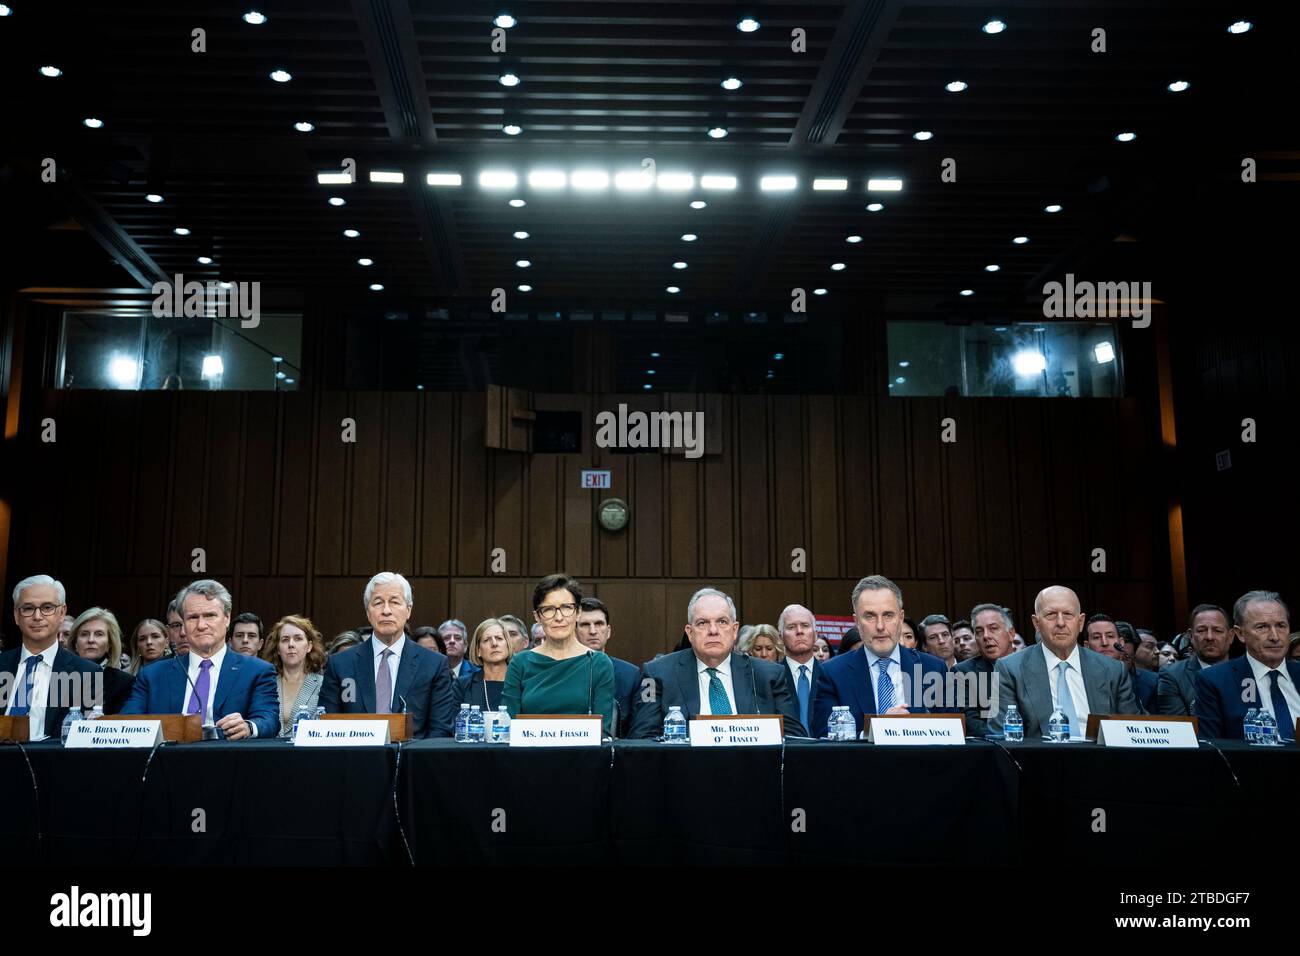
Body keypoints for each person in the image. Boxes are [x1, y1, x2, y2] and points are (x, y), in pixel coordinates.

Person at [628, 587, 805, 738]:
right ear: (690, 633)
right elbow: (642, 738)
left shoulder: (769, 675)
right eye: (703, 623)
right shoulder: (655, 674)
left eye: (722, 622)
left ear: (734, 630)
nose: (713, 631)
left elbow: (794, 738)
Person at [122, 579, 279, 738]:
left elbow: (269, 720)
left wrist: (248, 727)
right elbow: (126, 725)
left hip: (228, 758)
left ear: (227, 618)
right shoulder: (152, 675)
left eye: (210, 615)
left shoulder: (257, 671)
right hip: (167, 759)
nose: (201, 625)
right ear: (183, 625)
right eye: (193, 617)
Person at [318, 572, 456, 738]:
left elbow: (440, 731)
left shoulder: (434, 664)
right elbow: (327, 728)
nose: (386, 610)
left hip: (413, 759)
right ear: (368, 613)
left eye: (394, 602)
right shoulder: (340, 664)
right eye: (378, 603)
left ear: (408, 610)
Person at [990, 586, 1136, 740]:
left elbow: (1132, 730)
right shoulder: (1010, 669)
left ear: (1080, 622)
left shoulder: (1112, 670)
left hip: (1101, 759)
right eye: (1051, 614)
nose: (1060, 622)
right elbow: (1002, 737)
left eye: (1068, 614)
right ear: (1036, 623)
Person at [812, 577, 952, 738]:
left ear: (900, 618)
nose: (880, 626)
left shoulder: (933, 668)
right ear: (857, 622)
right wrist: (881, 729)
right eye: (870, 616)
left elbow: (953, 733)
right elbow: (824, 736)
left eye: (888, 615)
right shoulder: (832, 673)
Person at [502, 575, 615, 734]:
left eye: (566, 607)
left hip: (584, 757)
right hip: (528, 756)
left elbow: (602, 733)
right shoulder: (520, 663)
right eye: (548, 609)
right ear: (537, 617)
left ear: (578, 612)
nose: (559, 617)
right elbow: (508, 727)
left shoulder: (598, 663)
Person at [2, 575, 101, 740]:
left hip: (50, 762)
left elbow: (88, 740)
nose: (37, 616)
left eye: (47, 607)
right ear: (16, 615)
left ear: (62, 613)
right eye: (27, 608)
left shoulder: (89, 674)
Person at [1194, 590, 1298, 741]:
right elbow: (1212, 748)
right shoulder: (1215, 681)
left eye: (1281, 625)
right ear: (1240, 634)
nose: (1275, 637)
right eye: (1262, 627)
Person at [576, 598, 638, 737]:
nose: (593, 631)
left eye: (599, 624)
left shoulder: (631, 675)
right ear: (574, 632)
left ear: (608, 631)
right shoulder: (561, 671)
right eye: (585, 625)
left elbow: (637, 729)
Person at [954, 603, 1015, 737]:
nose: (986, 636)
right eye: (979, 632)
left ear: (1011, 634)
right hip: (991, 748)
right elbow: (971, 722)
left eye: (993, 629)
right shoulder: (962, 672)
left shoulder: (1030, 665)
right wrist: (1006, 741)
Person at [263, 615, 326, 737]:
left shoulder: (322, 684)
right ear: (277, 649)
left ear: (309, 646)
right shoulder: (266, 684)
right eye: (285, 639)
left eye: (298, 639)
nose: (291, 644)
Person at [70, 607, 135, 714]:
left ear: (109, 644)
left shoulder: (124, 682)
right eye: (84, 634)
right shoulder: (59, 676)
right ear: (75, 644)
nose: (91, 640)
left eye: (99, 634)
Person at [779, 604, 820, 739]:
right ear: (780, 637)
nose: (799, 631)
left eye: (805, 625)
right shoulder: (771, 678)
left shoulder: (831, 674)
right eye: (791, 627)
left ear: (815, 634)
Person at [456, 618, 513, 712]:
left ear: (507, 644)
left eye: (499, 638)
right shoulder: (462, 685)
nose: (494, 644)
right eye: (486, 640)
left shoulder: (522, 683)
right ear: (478, 650)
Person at [1114, 620, 1159, 713]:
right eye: (1116, 659)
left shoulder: (1151, 681)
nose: (1120, 665)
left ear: (1134, 656)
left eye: (1126, 658)